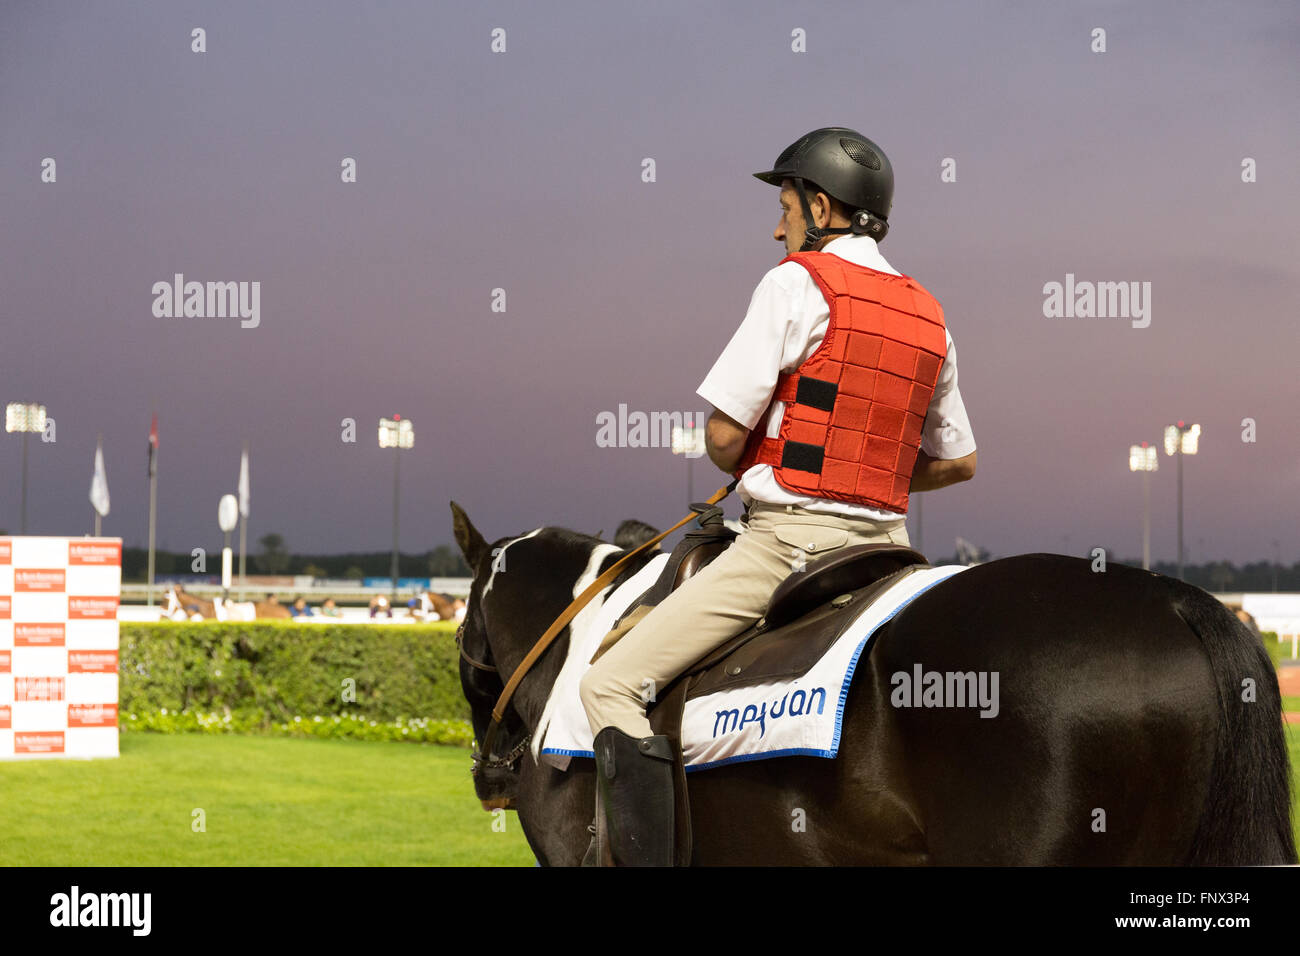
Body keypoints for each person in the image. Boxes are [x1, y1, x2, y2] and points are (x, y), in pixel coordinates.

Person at [578, 127, 978, 866]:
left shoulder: (795, 283)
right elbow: (959, 463)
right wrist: (875, 472)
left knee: (608, 684)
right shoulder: (931, 314)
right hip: (892, 558)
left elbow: (724, 439)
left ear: (822, 207)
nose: (777, 225)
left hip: (787, 546)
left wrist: (770, 451)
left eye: (786, 207)